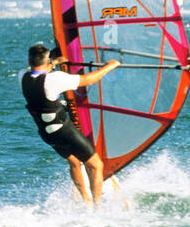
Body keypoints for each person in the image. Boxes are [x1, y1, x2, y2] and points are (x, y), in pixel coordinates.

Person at [21, 44, 121, 204]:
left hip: (46, 134)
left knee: (74, 161)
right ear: (47, 61)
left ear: (28, 60)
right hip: (62, 130)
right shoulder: (55, 79)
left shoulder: (23, 76)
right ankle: (97, 206)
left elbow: (40, 73)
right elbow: (88, 79)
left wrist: (53, 63)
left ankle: (86, 201)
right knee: (96, 165)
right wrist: (109, 66)